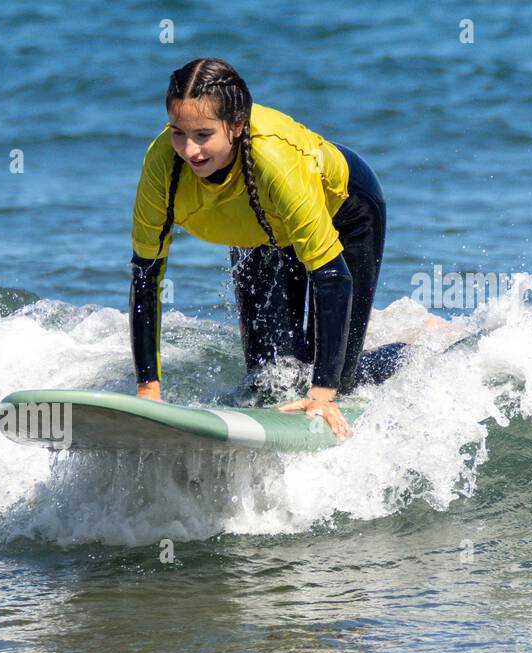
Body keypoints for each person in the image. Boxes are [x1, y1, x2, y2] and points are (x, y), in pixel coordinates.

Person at [129, 57, 411, 439]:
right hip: (262, 228)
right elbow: (146, 274)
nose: (190, 150)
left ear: (237, 126)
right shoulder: (162, 164)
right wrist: (149, 390)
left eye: (203, 135)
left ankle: (408, 351)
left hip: (345, 211)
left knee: (338, 381)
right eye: (178, 132)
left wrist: (322, 394)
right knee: (268, 379)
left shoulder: (276, 161)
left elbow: (333, 278)